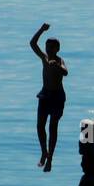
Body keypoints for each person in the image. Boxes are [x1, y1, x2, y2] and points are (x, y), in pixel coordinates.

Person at [30, 22, 67, 172]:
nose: (48, 50)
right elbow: (32, 43)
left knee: (53, 127)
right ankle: (43, 152)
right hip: (45, 95)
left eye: (51, 47)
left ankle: (50, 158)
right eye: (47, 47)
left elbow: (65, 72)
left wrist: (56, 65)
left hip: (57, 96)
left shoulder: (60, 60)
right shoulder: (44, 58)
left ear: (57, 49)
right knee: (40, 125)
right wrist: (41, 30)